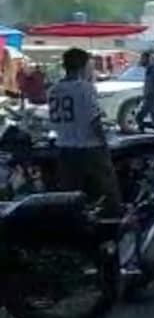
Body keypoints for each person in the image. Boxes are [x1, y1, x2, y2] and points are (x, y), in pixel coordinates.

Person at [48, 48, 121, 216]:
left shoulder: (53, 90)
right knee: (107, 193)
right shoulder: (84, 88)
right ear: (83, 66)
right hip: (89, 149)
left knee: (71, 198)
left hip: (65, 149)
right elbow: (94, 121)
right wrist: (105, 145)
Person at [136, 51, 154, 132]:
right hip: (151, 98)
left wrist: (144, 96)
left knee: (139, 118)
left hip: (151, 98)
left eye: (143, 58)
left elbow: (151, 86)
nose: (141, 60)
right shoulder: (150, 70)